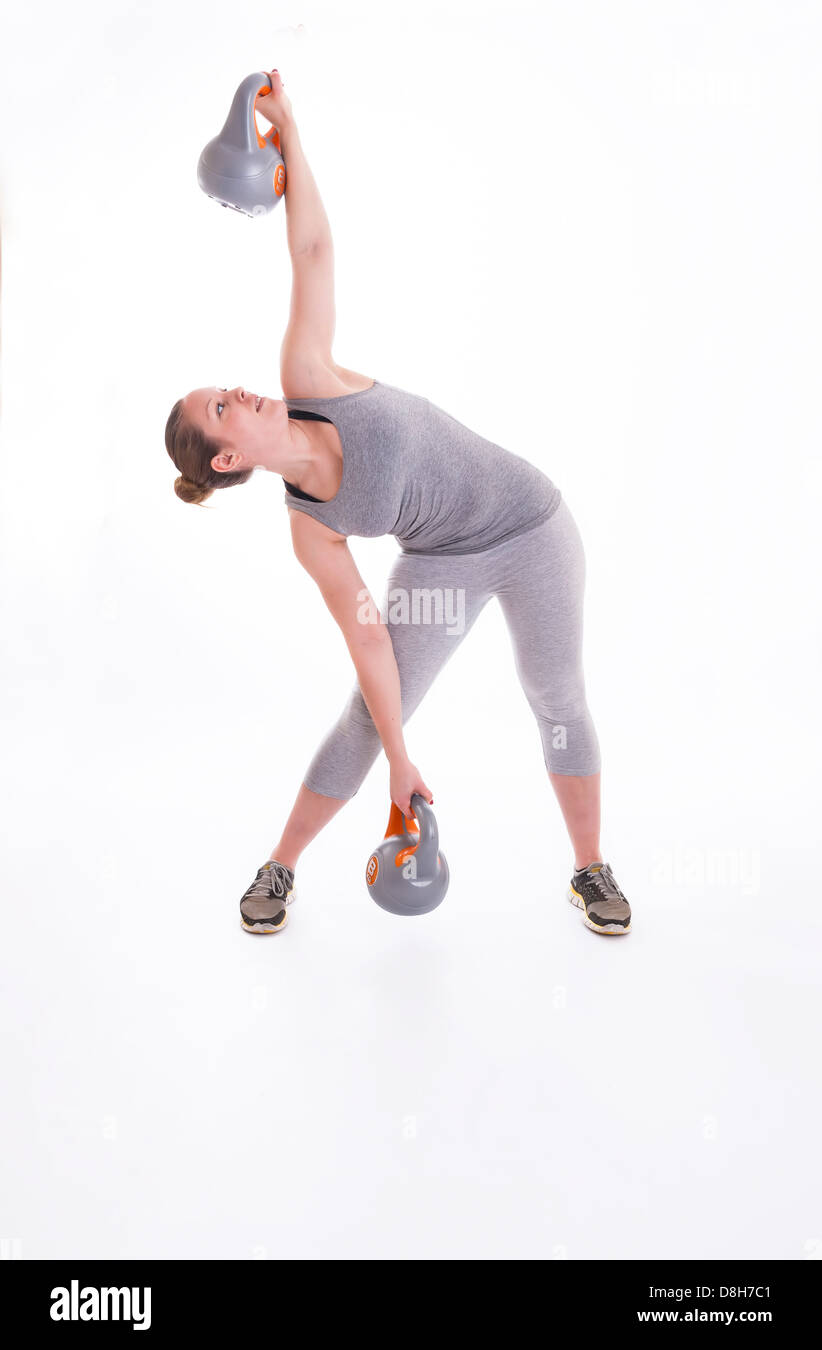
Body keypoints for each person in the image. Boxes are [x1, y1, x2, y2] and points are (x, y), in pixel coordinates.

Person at [164, 70, 631, 939]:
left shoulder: (309, 380)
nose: (239, 390)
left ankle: (590, 869)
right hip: (441, 564)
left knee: (556, 694)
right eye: (221, 406)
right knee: (368, 718)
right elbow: (370, 636)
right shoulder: (312, 530)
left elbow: (311, 254)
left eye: (224, 387)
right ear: (228, 458)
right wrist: (402, 763)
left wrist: (290, 133)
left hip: (532, 526)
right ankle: (281, 866)